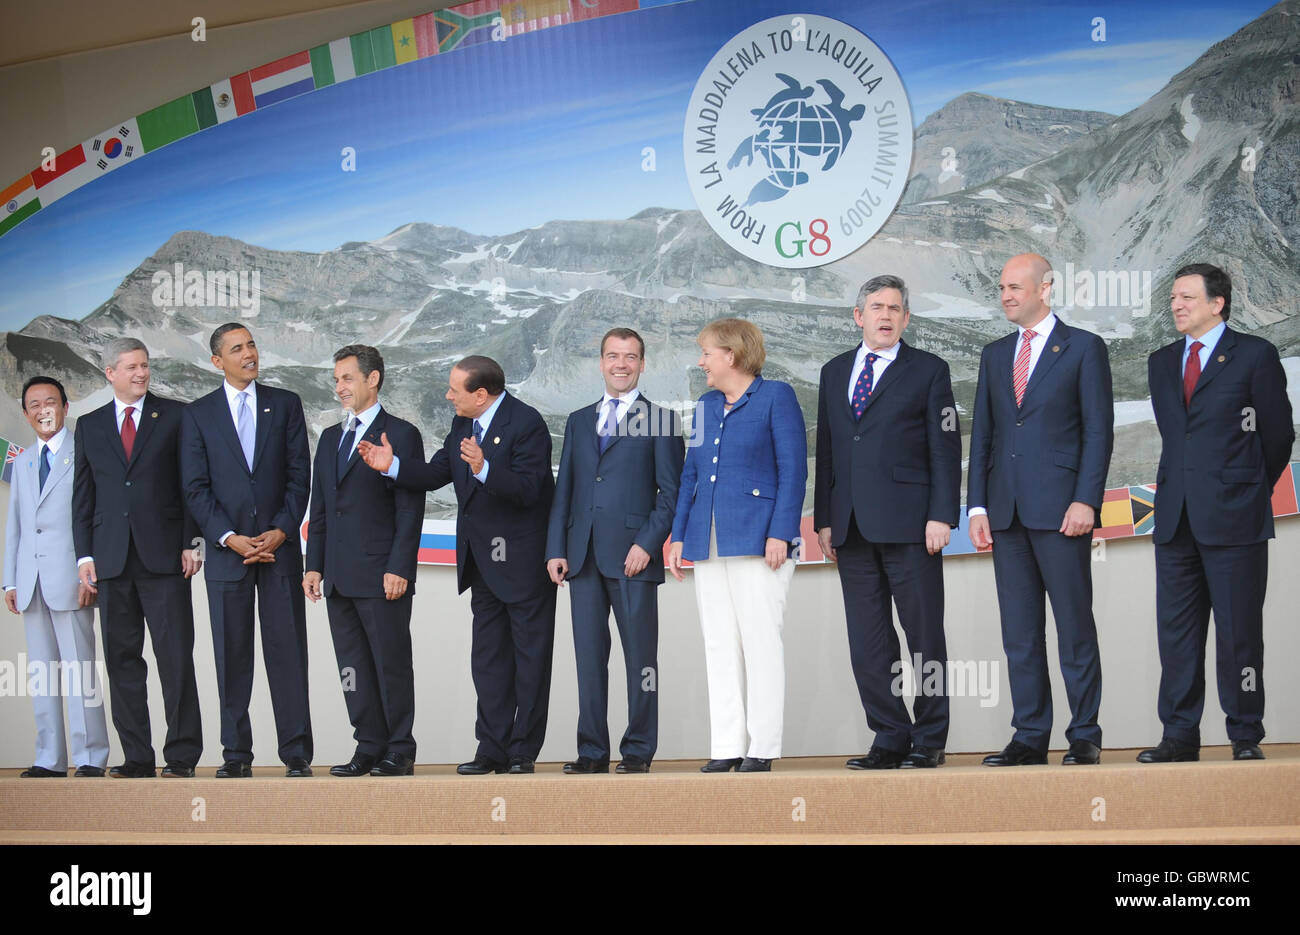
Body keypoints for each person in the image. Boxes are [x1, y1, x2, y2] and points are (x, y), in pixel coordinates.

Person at [359, 355, 556, 775]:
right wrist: (390, 464)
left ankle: (522, 752)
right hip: (481, 566)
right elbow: (435, 472)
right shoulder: (462, 425)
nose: (448, 396)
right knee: (488, 663)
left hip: (522, 565)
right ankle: (492, 749)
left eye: (455, 390)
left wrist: (484, 469)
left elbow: (528, 489)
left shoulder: (527, 424)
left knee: (530, 662)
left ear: (481, 395)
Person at [1139, 263, 1294, 763]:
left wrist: (1248, 489)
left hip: (1235, 517)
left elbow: (1277, 436)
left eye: (1186, 297)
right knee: (1177, 636)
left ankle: (1245, 734)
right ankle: (1179, 735)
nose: (1177, 305)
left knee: (1239, 633)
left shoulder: (1255, 355)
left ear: (1217, 303)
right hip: (1175, 520)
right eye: (1173, 299)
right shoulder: (1162, 361)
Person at [967, 253, 1113, 766]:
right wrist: (977, 506)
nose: (1006, 295)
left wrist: (1086, 499)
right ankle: (1029, 736)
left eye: (1015, 287)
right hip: (1005, 515)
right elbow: (983, 433)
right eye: (1002, 287)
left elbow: (1098, 432)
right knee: (1020, 633)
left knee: (1074, 627)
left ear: (1045, 289)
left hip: (1061, 512)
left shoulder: (1084, 348)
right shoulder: (994, 354)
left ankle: (1085, 735)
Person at [814, 276, 961, 770]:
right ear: (858, 316)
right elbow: (829, 450)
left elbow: (946, 448)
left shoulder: (929, 370)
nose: (886, 315)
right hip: (851, 529)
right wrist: (825, 520)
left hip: (912, 526)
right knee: (868, 642)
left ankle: (930, 738)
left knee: (924, 636)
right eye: (877, 307)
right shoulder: (834, 372)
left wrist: (943, 514)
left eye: (896, 308)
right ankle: (889, 736)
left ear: (906, 319)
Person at [668, 318, 806, 773]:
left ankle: (762, 747)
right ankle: (727, 745)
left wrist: (780, 533)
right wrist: (679, 535)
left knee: (761, 644)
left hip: (759, 541)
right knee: (718, 645)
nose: (701, 361)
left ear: (731, 354)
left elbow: (793, 472)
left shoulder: (776, 397)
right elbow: (692, 474)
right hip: (708, 543)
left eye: (706, 352)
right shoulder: (707, 405)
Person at [546, 328, 684, 774]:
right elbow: (564, 489)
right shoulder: (578, 420)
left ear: (643, 364)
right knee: (589, 660)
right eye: (612, 356)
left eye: (630, 357)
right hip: (582, 557)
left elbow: (671, 494)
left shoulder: (661, 419)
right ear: (601, 362)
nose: (620, 364)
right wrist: (556, 549)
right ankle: (592, 752)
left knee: (641, 659)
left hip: (633, 558)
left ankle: (639, 750)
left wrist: (647, 544)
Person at [181, 323, 313, 778]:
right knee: (231, 657)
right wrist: (228, 537)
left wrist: (279, 530)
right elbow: (194, 489)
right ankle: (236, 755)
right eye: (237, 348)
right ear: (218, 361)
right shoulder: (197, 415)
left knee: (288, 653)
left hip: (279, 552)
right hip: (226, 556)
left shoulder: (287, 404)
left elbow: (300, 478)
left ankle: (296, 752)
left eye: (252, 344)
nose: (250, 353)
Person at [73, 337, 203, 778]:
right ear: (109, 373)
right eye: (130, 367)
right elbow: (83, 498)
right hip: (110, 562)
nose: (140, 373)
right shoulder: (88, 426)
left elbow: (191, 485)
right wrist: (84, 557)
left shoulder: (176, 416)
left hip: (166, 558)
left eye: (144, 365)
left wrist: (192, 542)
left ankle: (182, 757)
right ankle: (137, 758)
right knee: (123, 662)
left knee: (175, 659)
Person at [305, 346, 424, 777]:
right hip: (337, 576)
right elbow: (320, 507)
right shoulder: (331, 438)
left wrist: (399, 568)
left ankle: (399, 748)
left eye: (348, 378)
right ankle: (368, 745)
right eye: (336, 379)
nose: (340, 387)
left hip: (382, 575)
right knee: (352, 668)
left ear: (373, 379)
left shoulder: (402, 434)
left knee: (390, 664)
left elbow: (410, 510)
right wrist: (313, 565)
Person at [6, 377, 109, 777]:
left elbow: (94, 516)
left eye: (50, 401)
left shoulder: (83, 451)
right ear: (26, 413)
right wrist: (10, 581)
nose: (43, 409)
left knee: (81, 671)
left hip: (72, 579)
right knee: (42, 675)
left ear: (66, 407)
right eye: (34, 404)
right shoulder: (22, 461)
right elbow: (16, 526)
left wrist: (91, 571)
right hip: (30, 583)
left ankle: (90, 757)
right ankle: (49, 758)